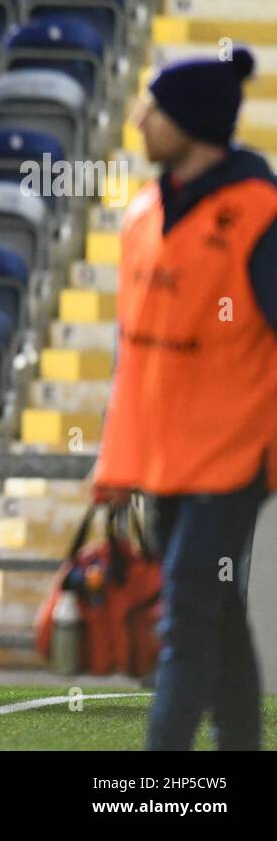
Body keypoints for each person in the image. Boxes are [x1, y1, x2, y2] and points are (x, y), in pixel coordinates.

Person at [90, 48, 277, 750]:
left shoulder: (260, 213)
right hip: (164, 457)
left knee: (184, 615)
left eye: (155, 107)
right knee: (215, 611)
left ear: (193, 123)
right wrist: (115, 461)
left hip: (234, 454)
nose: (139, 117)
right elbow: (134, 355)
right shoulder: (142, 211)